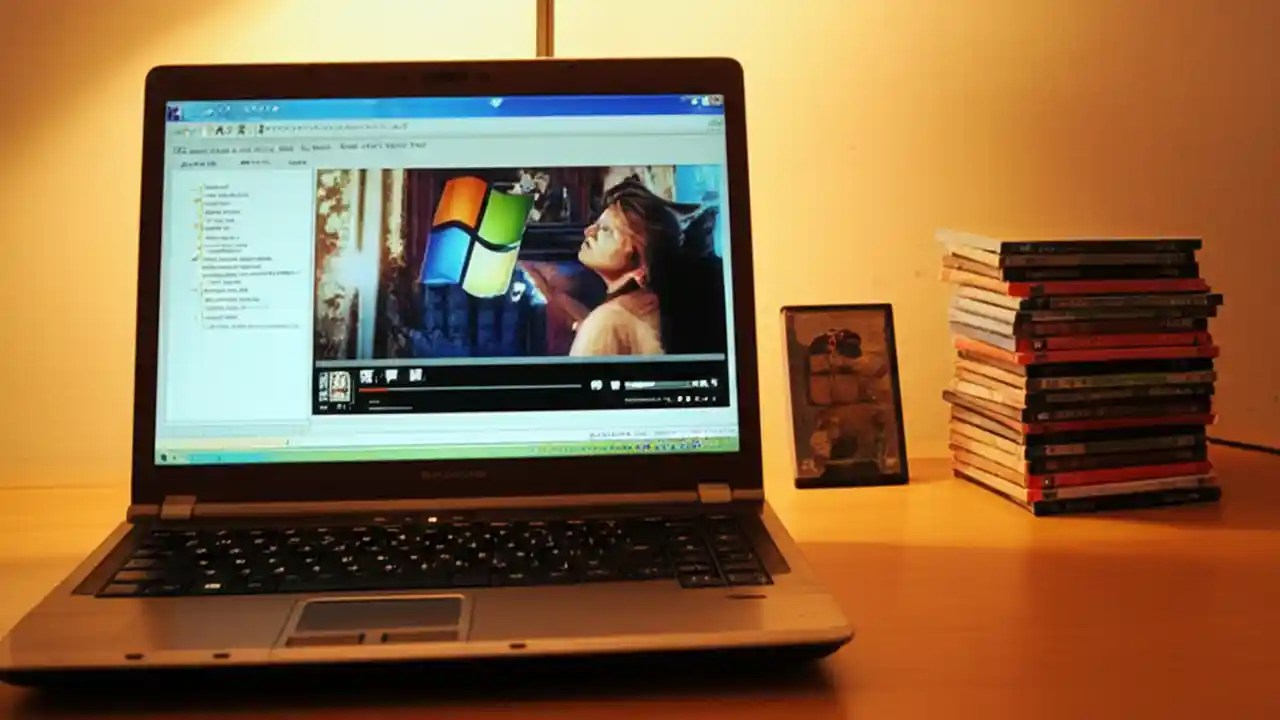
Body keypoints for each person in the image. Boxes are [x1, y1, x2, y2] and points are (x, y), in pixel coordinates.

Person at [570, 179, 723, 357]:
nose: (588, 231)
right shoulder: (644, 311)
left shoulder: (605, 324)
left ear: (641, 260)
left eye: (605, 230)